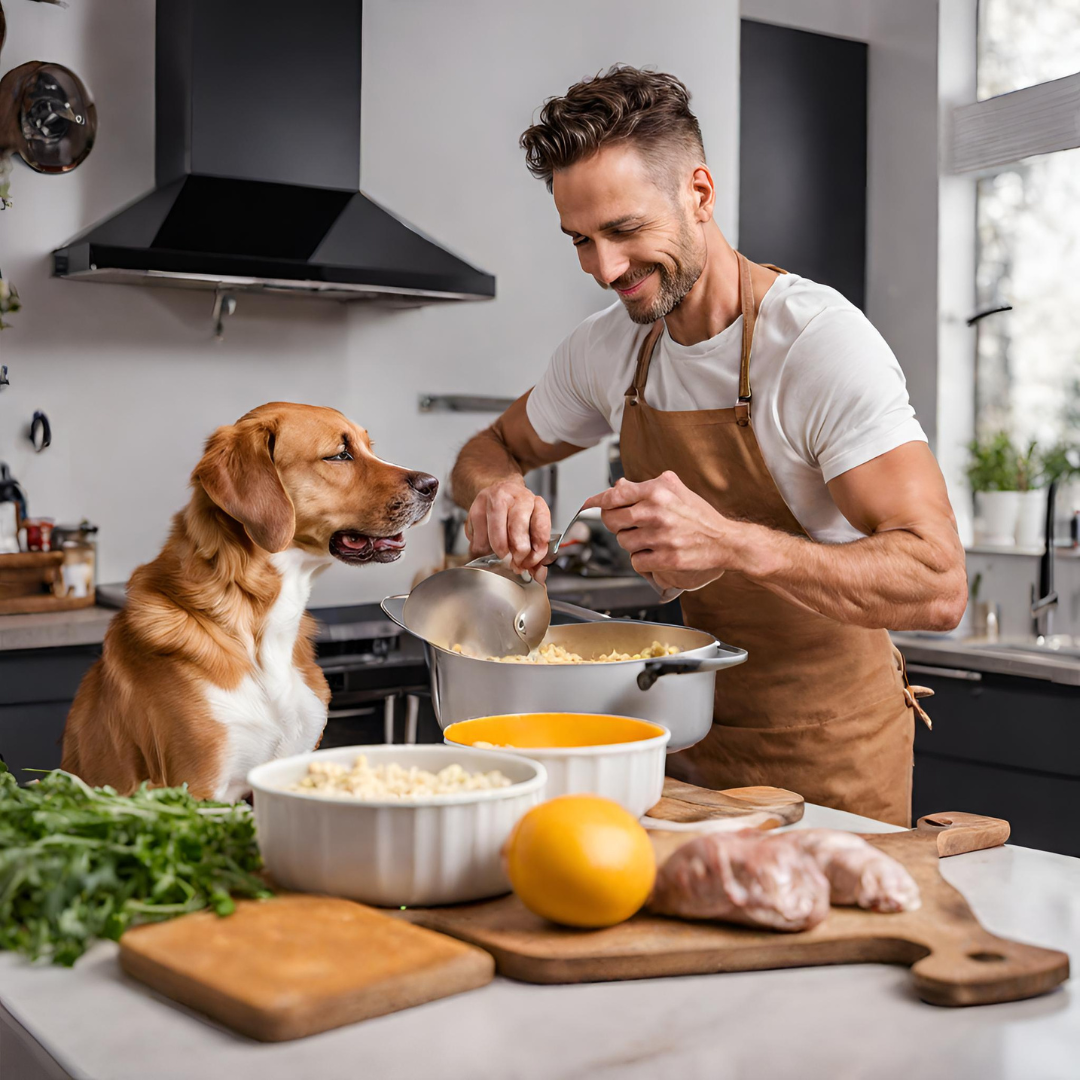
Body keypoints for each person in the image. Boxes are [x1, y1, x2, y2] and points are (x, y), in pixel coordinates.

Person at [450, 66, 965, 826]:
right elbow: (489, 447)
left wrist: (731, 543)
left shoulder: (817, 345)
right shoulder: (607, 352)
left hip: (832, 757)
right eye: (580, 241)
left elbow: (938, 583)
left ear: (699, 193)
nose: (604, 269)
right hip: (680, 745)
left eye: (624, 231)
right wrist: (496, 489)